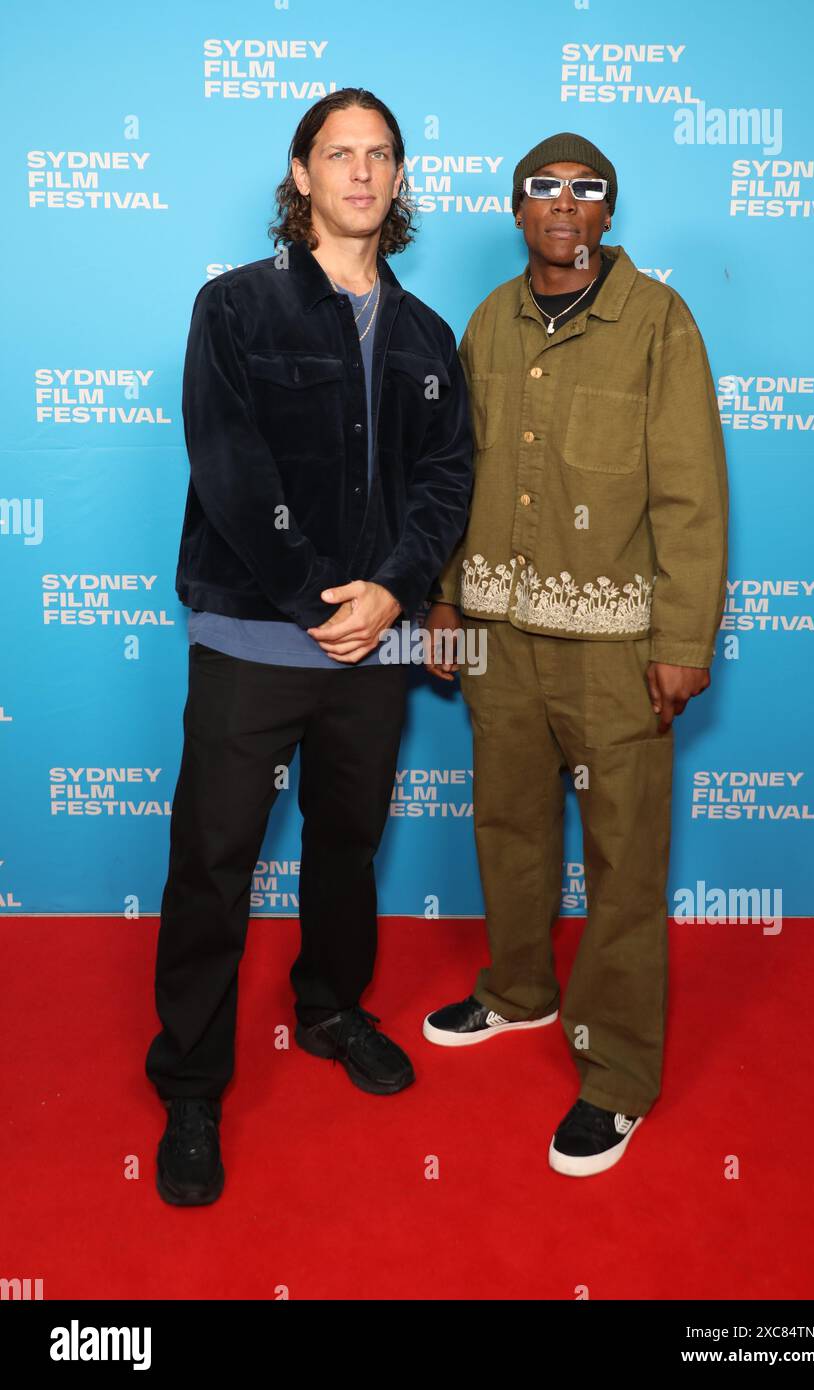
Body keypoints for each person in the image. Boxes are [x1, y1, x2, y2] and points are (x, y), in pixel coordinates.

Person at [145, 88, 473, 1205]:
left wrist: (390, 592)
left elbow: (444, 479)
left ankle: (332, 1008)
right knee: (212, 863)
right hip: (251, 634)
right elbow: (230, 466)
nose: (363, 172)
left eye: (382, 154)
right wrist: (312, 597)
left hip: (372, 653)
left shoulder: (426, 335)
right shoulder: (234, 308)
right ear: (300, 175)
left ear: (398, 178)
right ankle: (191, 1084)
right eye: (341, 154)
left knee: (347, 848)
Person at [423, 132, 729, 1177]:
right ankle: (517, 990)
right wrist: (443, 599)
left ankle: (615, 1076)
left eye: (584, 189)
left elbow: (690, 493)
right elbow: (452, 476)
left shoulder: (658, 323)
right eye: (542, 189)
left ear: (607, 212)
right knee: (508, 825)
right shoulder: (485, 324)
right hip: (500, 636)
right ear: (516, 211)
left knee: (621, 864)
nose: (563, 204)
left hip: (617, 652)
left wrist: (682, 640)